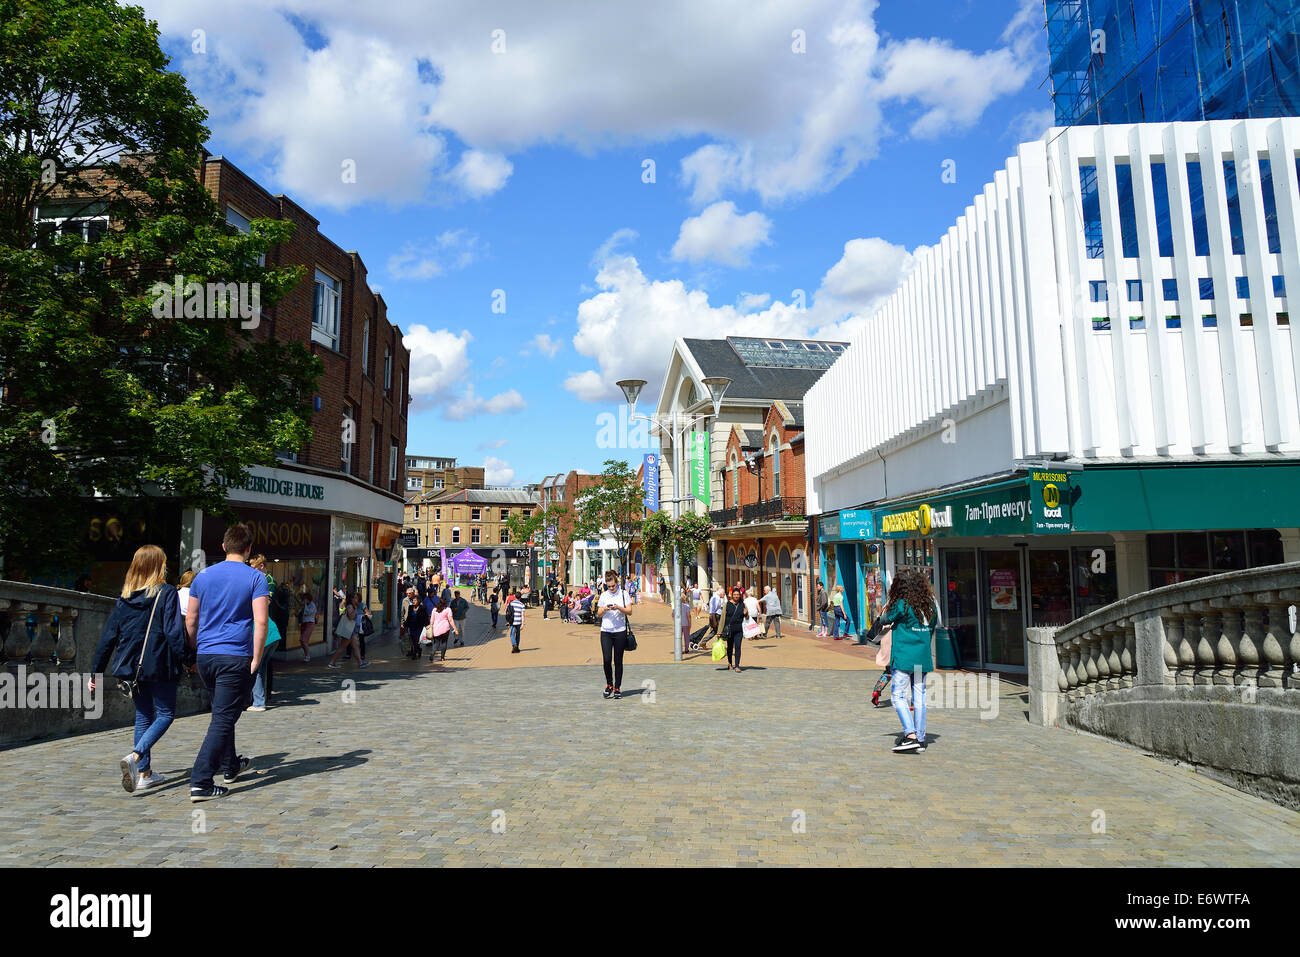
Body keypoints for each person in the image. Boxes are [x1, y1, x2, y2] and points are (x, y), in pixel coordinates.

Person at [89, 545, 187, 794]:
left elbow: (108, 638)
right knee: (165, 715)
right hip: (158, 665)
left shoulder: (125, 597)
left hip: (130, 668)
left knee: (144, 716)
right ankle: (135, 757)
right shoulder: (166, 592)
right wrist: (187, 658)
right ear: (158, 566)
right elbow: (173, 632)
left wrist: (95, 673)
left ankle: (145, 774)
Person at [185, 523, 266, 802]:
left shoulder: (203, 576)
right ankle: (201, 781)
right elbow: (260, 621)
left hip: (207, 655)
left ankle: (230, 765)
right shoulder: (256, 578)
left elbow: (191, 619)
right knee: (223, 718)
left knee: (223, 711)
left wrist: (197, 648)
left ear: (223, 546)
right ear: (249, 548)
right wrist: (256, 657)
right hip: (235, 655)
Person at [877, 569, 937, 753]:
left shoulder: (901, 604)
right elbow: (932, 628)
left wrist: (887, 607)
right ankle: (920, 737)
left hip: (904, 656)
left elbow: (883, 620)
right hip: (922, 656)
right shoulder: (930, 605)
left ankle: (910, 734)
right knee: (919, 696)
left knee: (898, 696)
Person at [247, 555, 281, 712]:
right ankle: (262, 696)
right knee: (262, 667)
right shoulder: (258, 579)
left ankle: (259, 701)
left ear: (261, 566)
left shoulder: (268, 580)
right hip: (271, 632)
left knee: (258, 668)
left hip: (266, 631)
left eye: (253, 567)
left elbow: (265, 603)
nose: (251, 570)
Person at [596, 570, 632, 699]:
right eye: (609, 586)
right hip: (606, 631)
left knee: (618, 661)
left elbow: (629, 611)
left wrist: (618, 608)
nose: (611, 588)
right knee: (606, 659)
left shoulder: (623, 594)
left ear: (617, 583)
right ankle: (609, 684)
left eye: (613, 586)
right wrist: (604, 609)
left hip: (620, 631)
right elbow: (598, 614)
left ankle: (617, 687)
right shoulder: (604, 596)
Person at [327, 592, 369, 669]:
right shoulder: (350, 606)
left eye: (357, 598)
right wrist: (356, 609)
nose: (357, 599)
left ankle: (360, 663)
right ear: (352, 599)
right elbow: (350, 617)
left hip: (351, 630)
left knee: (355, 647)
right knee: (342, 647)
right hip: (348, 630)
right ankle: (332, 662)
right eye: (355, 598)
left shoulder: (353, 606)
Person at [720, 584, 747, 673]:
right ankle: (730, 663)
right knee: (730, 647)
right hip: (729, 630)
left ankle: (737, 666)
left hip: (739, 630)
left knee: (738, 647)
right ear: (732, 595)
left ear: (740, 595)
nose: (736, 596)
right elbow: (722, 619)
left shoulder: (743, 604)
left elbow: (747, 618)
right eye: (735, 595)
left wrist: (746, 614)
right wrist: (719, 632)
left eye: (738, 595)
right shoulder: (727, 604)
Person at [401, 587, 427, 659]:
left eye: (410, 593)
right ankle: (418, 649)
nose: (408, 595)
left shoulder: (422, 607)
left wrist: (426, 625)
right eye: (407, 593)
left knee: (416, 640)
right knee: (412, 639)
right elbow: (404, 613)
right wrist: (403, 623)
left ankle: (414, 654)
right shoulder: (409, 605)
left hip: (419, 626)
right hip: (411, 625)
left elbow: (425, 617)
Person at [428, 596, 454, 662]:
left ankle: (432, 653)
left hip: (436, 629)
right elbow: (450, 620)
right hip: (445, 628)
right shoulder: (448, 609)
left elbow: (432, 620)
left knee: (436, 643)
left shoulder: (434, 609)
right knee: (444, 643)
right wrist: (455, 628)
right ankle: (442, 657)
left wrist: (431, 627)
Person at [298, 590, 317, 661]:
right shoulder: (305, 605)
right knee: (302, 640)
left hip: (310, 623)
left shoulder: (312, 605)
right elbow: (300, 613)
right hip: (304, 623)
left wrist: (305, 605)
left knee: (304, 640)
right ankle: (306, 654)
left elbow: (307, 613)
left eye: (305, 599)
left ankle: (308, 656)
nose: (304, 600)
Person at [507, 587, 525, 653]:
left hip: (512, 621)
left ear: (515, 596)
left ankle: (514, 645)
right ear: (520, 597)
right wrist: (523, 624)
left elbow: (508, 611)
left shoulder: (511, 603)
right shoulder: (522, 605)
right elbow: (522, 615)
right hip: (519, 621)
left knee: (512, 634)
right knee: (518, 635)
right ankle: (517, 647)